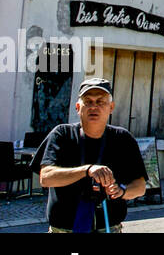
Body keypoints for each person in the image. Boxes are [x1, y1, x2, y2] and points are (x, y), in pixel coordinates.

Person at [39, 78, 147, 232]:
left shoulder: (123, 139)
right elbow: (46, 177)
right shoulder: (61, 135)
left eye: (100, 101)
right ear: (78, 107)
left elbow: (140, 187)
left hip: (108, 228)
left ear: (111, 107)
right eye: (88, 101)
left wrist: (122, 192)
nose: (93, 106)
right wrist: (87, 170)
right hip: (64, 230)